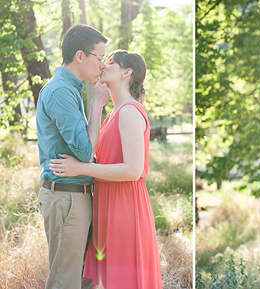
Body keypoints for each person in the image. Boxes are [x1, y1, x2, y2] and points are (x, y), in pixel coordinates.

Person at [48, 50, 162, 288]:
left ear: (126, 72)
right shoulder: (114, 113)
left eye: (110, 62)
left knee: (122, 277)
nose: (103, 66)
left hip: (125, 204)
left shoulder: (129, 111)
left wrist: (81, 168)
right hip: (108, 201)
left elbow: (133, 170)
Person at [35, 23, 109, 289]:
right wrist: (97, 104)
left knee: (82, 280)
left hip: (76, 196)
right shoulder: (60, 92)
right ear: (80, 55)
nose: (103, 65)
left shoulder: (70, 89)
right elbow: (86, 152)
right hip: (66, 198)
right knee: (65, 282)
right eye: (99, 58)